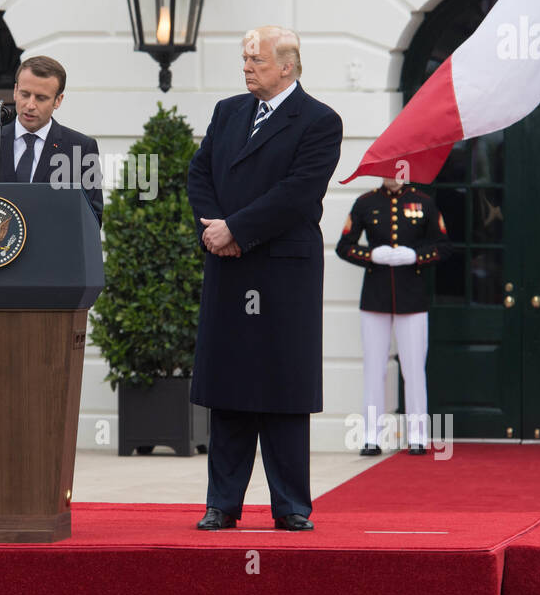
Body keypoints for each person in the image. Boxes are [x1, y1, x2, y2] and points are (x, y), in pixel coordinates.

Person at [186, 26, 343, 531]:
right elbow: (200, 173)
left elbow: (298, 194)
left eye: (256, 60)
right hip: (228, 263)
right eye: (245, 58)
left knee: (283, 388)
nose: (247, 66)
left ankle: (291, 505)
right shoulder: (228, 111)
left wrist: (237, 228)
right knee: (229, 386)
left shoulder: (319, 121)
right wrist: (215, 230)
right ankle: (221, 503)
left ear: (287, 67)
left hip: (281, 272)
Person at [336, 177, 450, 455]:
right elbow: (344, 246)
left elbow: (444, 246)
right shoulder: (365, 203)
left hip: (412, 296)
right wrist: (372, 255)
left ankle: (418, 436)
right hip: (376, 296)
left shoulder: (424, 202)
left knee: (413, 369)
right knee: (374, 369)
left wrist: (415, 256)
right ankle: (371, 437)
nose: (394, 175)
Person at [0, 55, 104, 225]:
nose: (30, 105)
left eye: (41, 98)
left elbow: (93, 216)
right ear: (15, 91)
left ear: (58, 100)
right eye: (25, 94)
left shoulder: (81, 148)